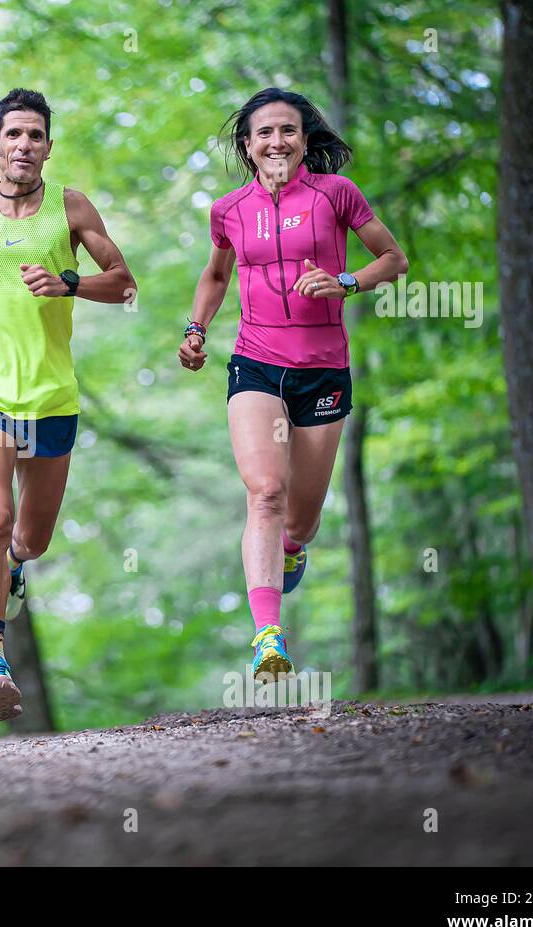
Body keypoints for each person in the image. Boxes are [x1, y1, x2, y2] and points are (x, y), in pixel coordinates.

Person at [0, 88, 136, 721]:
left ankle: (15, 565)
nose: (24, 145)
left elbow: (123, 284)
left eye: (35, 135)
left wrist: (69, 281)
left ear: (47, 146)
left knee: (30, 539)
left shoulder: (71, 208)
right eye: (13, 134)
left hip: (50, 397)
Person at [178, 88, 409, 681]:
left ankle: (291, 548)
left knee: (299, 522)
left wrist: (347, 282)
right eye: (263, 133)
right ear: (248, 146)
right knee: (265, 494)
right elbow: (214, 273)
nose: (276, 142)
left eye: (287, 131)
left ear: (304, 139)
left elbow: (394, 259)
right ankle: (267, 637)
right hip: (255, 364)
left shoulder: (337, 195)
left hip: (323, 370)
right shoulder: (228, 210)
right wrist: (196, 330)